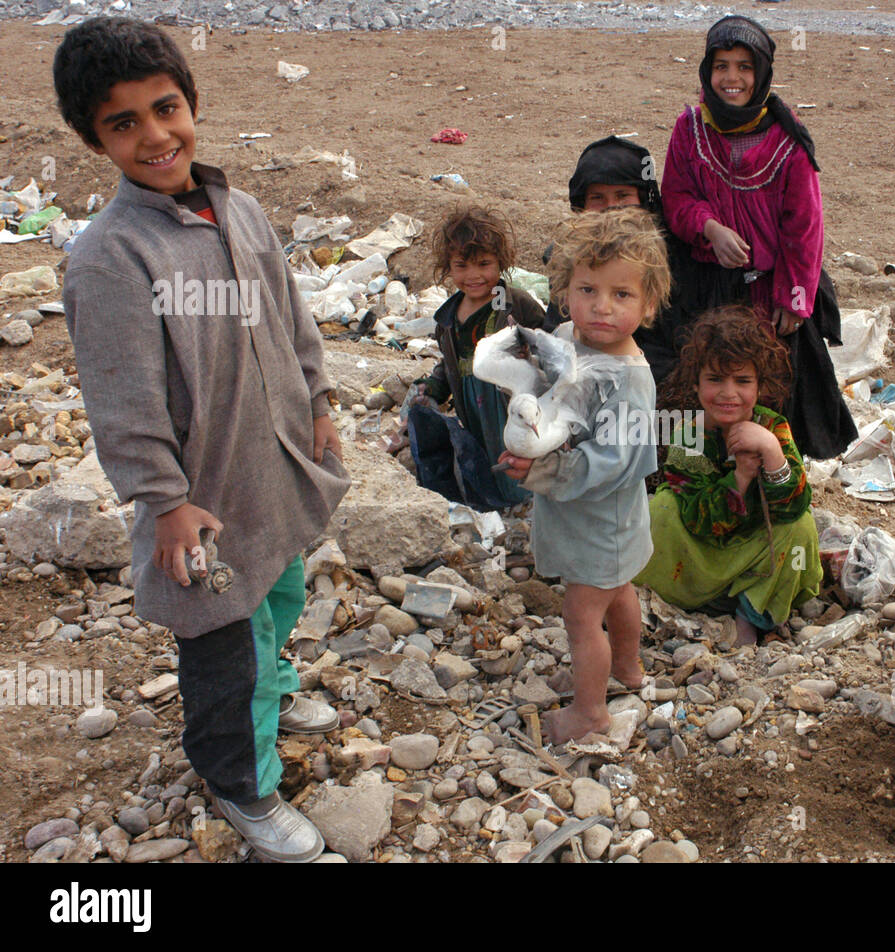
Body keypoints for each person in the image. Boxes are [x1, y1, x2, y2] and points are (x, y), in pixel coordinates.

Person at [54, 17, 352, 862]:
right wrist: (166, 501)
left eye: (166, 107)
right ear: (93, 138)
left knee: (280, 595)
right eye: (123, 123)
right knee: (223, 646)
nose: (155, 135)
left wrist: (319, 399)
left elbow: (288, 315)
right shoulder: (112, 257)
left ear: (193, 102)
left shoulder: (241, 211)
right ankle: (241, 786)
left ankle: (278, 687)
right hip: (203, 501)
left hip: (274, 466)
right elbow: (123, 399)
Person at [498, 208, 671, 744]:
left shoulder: (630, 383)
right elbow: (555, 374)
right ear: (564, 290)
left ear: (649, 303)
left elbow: (614, 462)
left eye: (622, 295)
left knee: (580, 612)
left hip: (601, 515)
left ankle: (590, 713)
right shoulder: (573, 336)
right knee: (619, 591)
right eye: (587, 289)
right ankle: (628, 669)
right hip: (598, 520)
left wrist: (544, 468)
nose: (601, 307)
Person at [660, 14, 856, 460]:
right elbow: (676, 197)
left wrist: (795, 297)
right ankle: (703, 470)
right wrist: (709, 227)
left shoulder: (787, 141)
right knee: (709, 380)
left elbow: (804, 227)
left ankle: (769, 472)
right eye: (722, 66)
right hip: (707, 283)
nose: (732, 78)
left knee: (766, 386)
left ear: (762, 73)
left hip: (771, 289)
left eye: (745, 67)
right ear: (707, 72)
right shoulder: (689, 129)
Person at [635, 307, 823, 646]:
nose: (728, 393)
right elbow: (697, 520)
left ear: (760, 386)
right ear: (696, 382)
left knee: (802, 525)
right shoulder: (688, 435)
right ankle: (688, 599)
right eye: (715, 379)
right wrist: (738, 479)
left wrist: (772, 454)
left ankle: (749, 613)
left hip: (754, 554)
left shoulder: (772, 427)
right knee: (662, 507)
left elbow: (792, 505)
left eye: (742, 381)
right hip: (700, 553)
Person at [408, 205, 544, 509]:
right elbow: (450, 362)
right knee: (483, 452)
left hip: (506, 401)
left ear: (502, 262)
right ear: (448, 267)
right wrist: (433, 388)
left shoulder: (515, 305)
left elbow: (545, 344)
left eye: (484, 264)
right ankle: (495, 503)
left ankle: (526, 502)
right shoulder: (449, 316)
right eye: (461, 266)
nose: (474, 276)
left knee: (517, 449)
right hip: (472, 402)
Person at [542, 135, 692, 383]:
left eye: (623, 196)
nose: (613, 207)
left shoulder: (674, 257)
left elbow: (683, 346)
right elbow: (558, 327)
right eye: (598, 198)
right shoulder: (573, 255)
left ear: (645, 200)